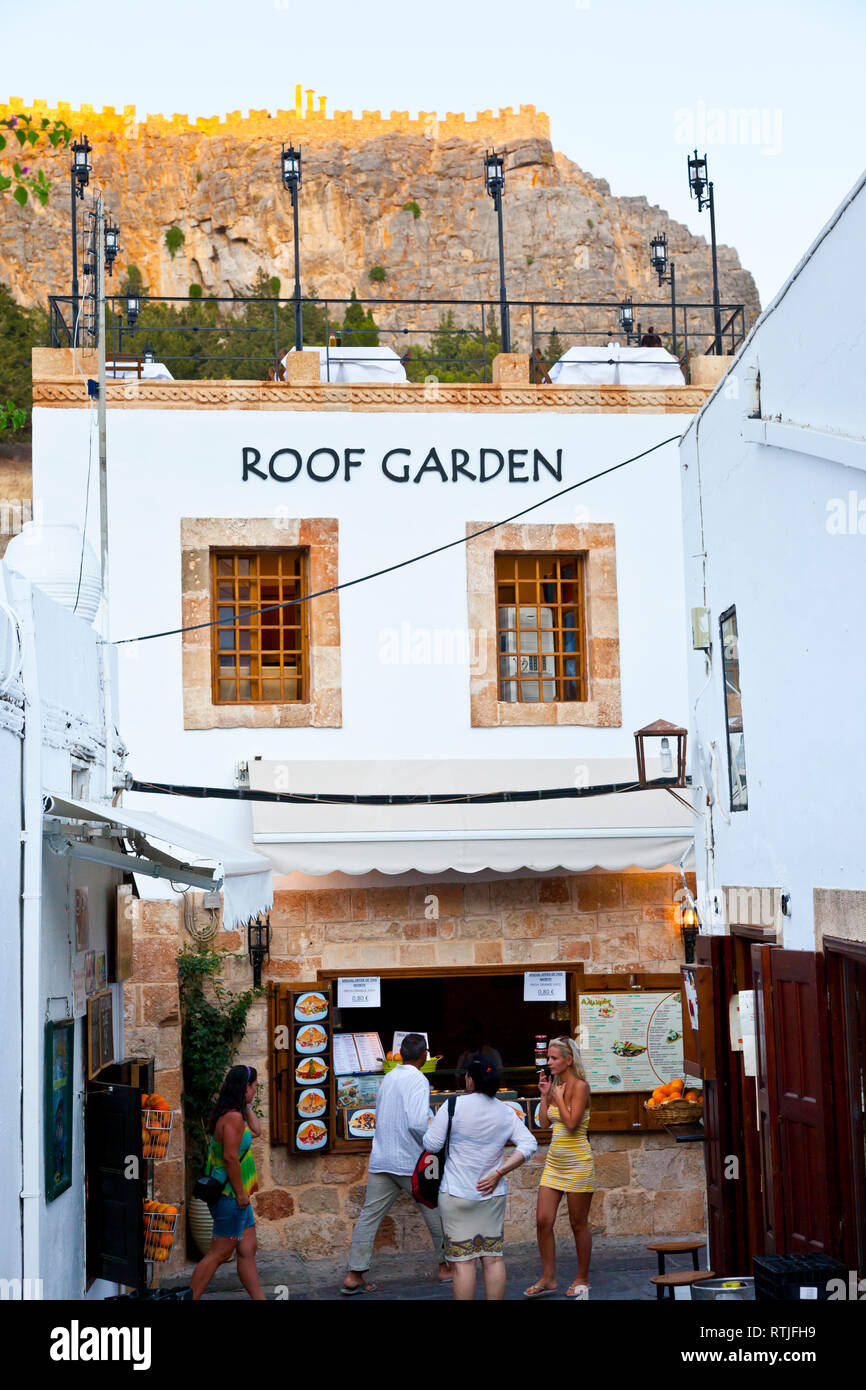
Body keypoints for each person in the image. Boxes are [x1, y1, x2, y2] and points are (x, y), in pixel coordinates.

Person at [342, 1033, 451, 1294]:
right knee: (436, 1211)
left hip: (382, 1158)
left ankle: (354, 1274)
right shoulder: (418, 1079)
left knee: (369, 1216)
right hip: (409, 1161)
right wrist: (431, 1142)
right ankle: (446, 1266)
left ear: (401, 1054)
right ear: (424, 1056)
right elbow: (416, 1122)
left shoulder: (389, 1077)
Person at [425, 1054, 537, 1301]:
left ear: (470, 1081)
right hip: (491, 1195)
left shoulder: (452, 1106)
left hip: (456, 1194)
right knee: (493, 1259)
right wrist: (500, 1172)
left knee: (463, 1264)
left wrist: (427, 1125)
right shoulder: (506, 1112)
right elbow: (529, 1144)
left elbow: (432, 1145)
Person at [525, 1037, 595, 1299]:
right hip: (555, 1163)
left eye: (554, 1058)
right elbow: (544, 1124)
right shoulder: (556, 1086)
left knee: (579, 1224)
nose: (549, 1062)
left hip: (578, 1162)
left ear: (568, 1060)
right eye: (548, 1058)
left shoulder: (580, 1086)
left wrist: (557, 1097)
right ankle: (548, 1277)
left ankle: (582, 1278)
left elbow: (573, 1124)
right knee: (543, 1221)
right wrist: (545, 1096)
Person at [191, 1064, 265, 1300]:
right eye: (253, 1087)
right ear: (246, 1087)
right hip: (231, 1196)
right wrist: (242, 1194)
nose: (255, 1091)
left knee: (247, 1249)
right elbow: (230, 1157)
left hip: (236, 1196)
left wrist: (247, 1105)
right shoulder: (232, 1118)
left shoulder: (235, 1113)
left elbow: (256, 1130)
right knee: (219, 1253)